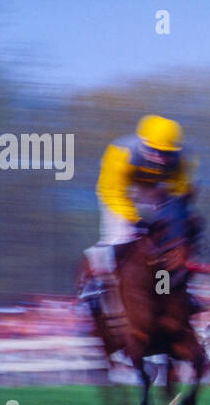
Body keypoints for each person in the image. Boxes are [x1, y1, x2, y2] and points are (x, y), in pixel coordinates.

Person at [82, 115, 198, 315]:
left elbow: (179, 190)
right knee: (120, 237)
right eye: (157, 151)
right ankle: (96, 283)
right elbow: (111, 191)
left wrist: (176, 217)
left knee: (168, 244)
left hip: (156, 193)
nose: (162, 158)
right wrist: (133, 219)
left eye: (167, 153)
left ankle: (168, 290)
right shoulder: (121, 152)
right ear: (144, 144)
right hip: (122, 193)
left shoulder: (183, 158)